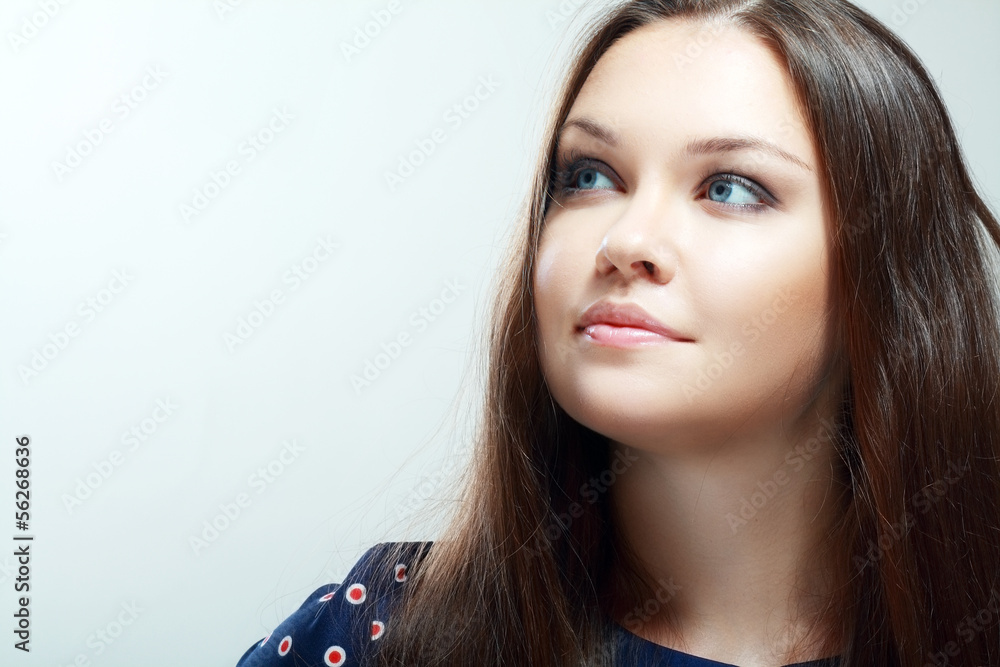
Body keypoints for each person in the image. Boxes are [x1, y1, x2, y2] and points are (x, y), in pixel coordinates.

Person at [235, 1, 1000, 665]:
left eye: (730, 188)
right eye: (590, 176)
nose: (625, 238)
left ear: (885, 270)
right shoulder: (379, 633)